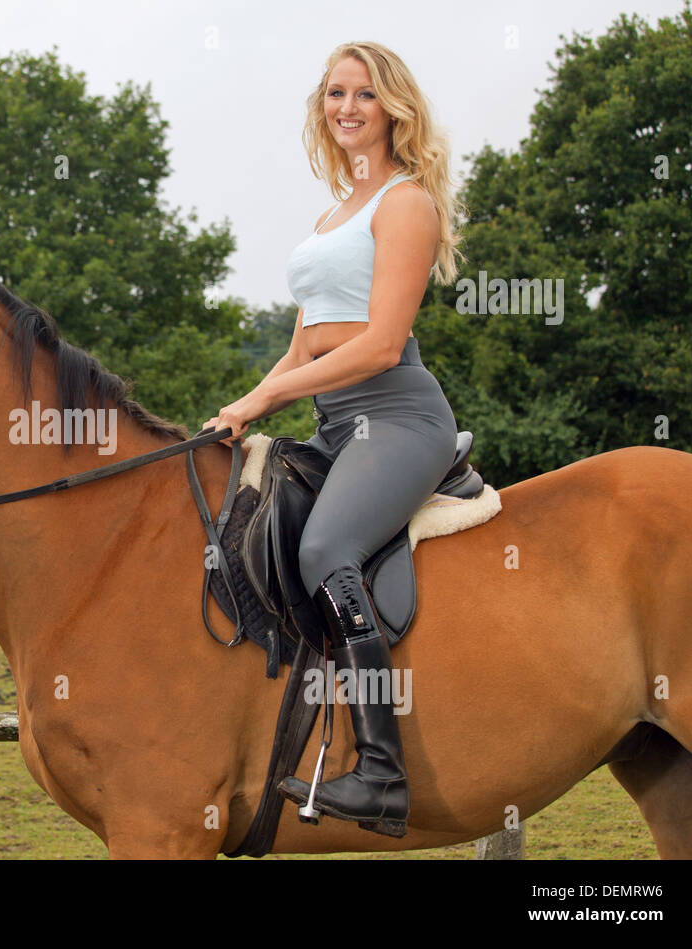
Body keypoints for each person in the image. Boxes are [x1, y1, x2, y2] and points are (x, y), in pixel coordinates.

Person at [203, 41, 465, 838]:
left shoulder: (405, 203)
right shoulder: (330, 218)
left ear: (393, 108)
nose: (346, 108)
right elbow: (304, 345)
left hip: (398, 417)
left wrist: (279, 390)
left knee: (324, 551)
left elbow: (383, 342)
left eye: (363, 95)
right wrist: (245, 404)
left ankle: (382, 772)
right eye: (334, 94)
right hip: (334, 423)